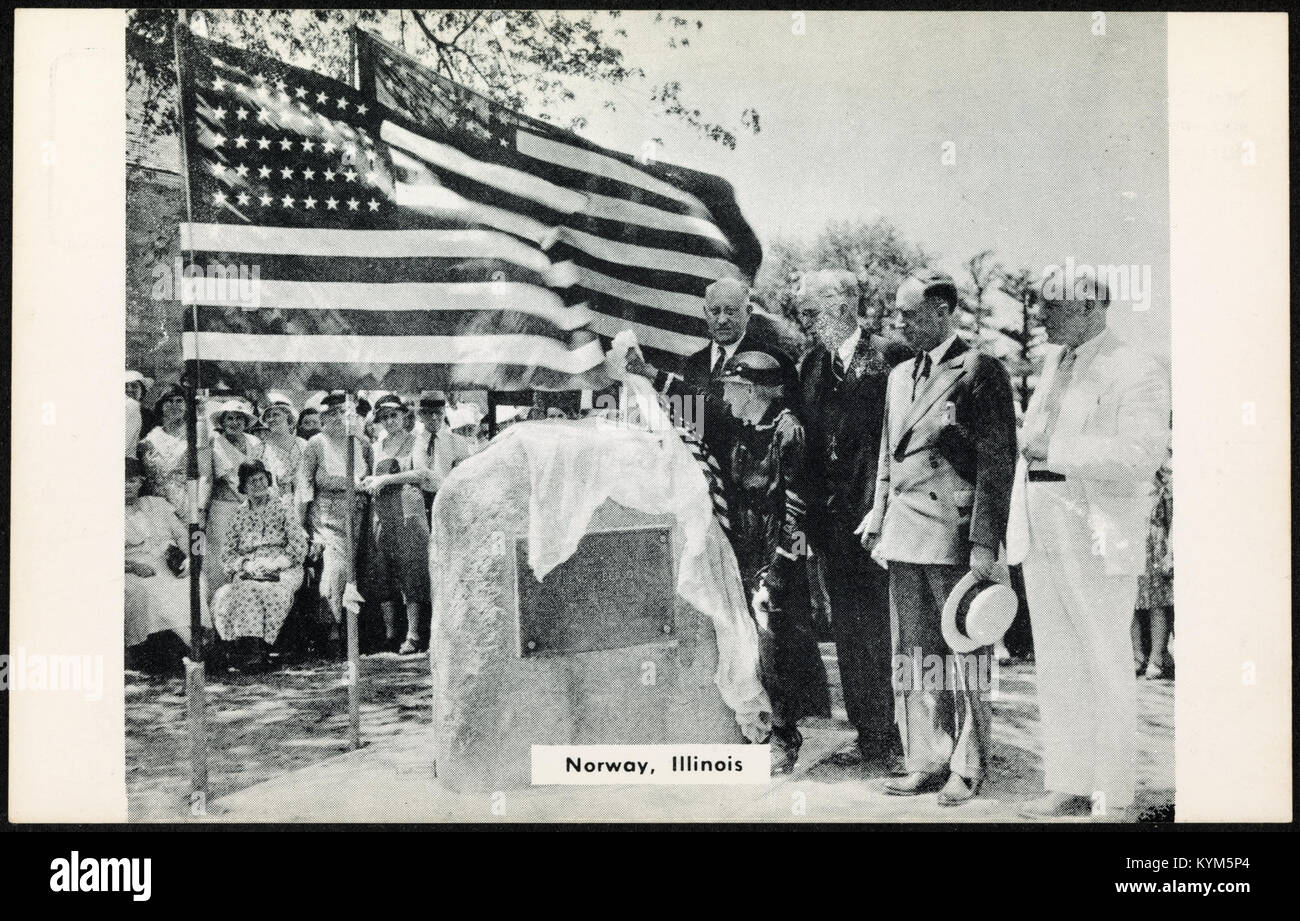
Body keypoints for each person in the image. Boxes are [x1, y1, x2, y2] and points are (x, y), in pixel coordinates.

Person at [1007, 265, 1170, 821]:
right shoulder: (1054, 362)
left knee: (1104, 657)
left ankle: (1113, 791)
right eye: (1042, 303)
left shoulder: (1137, 365)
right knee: (1055, 660)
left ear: (1094, 307)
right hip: (1044, 521)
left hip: (1097, 528)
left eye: (1054, 305)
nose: (1042, 315)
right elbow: (1031, 443)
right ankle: (1069, 780)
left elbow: (1141, 454)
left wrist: (1054, 454)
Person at [860, 270, 1017, 807]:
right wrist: (877, 514)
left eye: (911, 313)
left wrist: (985, 539)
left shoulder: (979, 368)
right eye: (899, 313)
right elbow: (889, 453)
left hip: (953, 532)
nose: (900, 322)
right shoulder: (900, 373)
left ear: (944, 310)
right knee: (913, 654)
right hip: (904, 533)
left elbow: (998, 459)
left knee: (965, 652)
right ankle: (926, 756)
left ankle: (969, 767)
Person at [797, 269, 914, 767]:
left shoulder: (892, 357)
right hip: (832, 524)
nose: (806, 320)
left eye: (812, 310)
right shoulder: (811, 365)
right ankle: (869, 734)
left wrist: (884, 505)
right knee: (848, 628)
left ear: (843, 305)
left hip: (882, 517)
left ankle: (904, 734)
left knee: (889, 627)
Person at [718, 350, 831, 773]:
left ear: (751, 390)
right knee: (754, 643)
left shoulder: (789, 433)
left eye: (732, 388)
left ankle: (786, 737)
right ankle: (764, 729)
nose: (726, 397)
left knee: (776, 645)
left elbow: (800, 511)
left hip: (778, 551)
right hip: (747, 545)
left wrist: (783, 568)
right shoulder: (746, 429)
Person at [625, 277, 788, 493]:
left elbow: (779, 436)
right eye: (715, 311)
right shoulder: (695, 363)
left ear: (748, 312)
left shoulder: (772, 361)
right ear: (705, 313)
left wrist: (656, 375)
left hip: (756, 493)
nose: (722, 320)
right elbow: (692, 423)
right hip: (706, 489)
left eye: (730, 311)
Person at [212, 459, 307, 671]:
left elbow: (298, 547)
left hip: (283, 567)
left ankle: (254, 651)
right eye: (252, 481)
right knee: (226, 593)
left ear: (268, 480)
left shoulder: (283, 508)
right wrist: (245, 566)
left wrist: (275, 565)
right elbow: (227, 554)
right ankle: (247, 650)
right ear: (244, 487)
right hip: (249, 569)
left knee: (258, 590)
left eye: (262, 479)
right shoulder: (238, 514)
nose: (258, 485)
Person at [298, 391, 372, 647]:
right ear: (322, 417)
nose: (337, 418)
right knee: (335, 567)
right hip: (327, 515)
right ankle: (332, 629)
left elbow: (369, 478)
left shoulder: (361, 443)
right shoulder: (316, 444)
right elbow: (305, 484)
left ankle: (359, 629)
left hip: (358, 512)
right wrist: (302, 524)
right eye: (330, 414)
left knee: (360, 567)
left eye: (342, 412)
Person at [360, 394, 433, 654]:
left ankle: (413, 635)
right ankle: (391, 633)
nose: (389, 421)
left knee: (411, 567)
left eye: (394, 415)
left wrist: (386, 480)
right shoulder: (377, 445)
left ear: (404, 416)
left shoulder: (416, 441)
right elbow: (371, 475)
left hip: (407, 508)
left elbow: (421, 474)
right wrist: (368, 481)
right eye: (384, 417)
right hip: (382, 510)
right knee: (382, 568)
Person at [126, 455, 208, 671]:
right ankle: (195, 645)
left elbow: (184, 535)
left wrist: (191, 557)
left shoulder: (157, 503)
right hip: (136, 566)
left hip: (169, 561)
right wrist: (132, 567)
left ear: (141, 481)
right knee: (153, 590)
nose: (126, 486)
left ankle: (197, 642)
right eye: (121, 480)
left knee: (194, 581)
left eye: (132, 480)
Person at [203, 398, 264, 603]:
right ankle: (217, 610)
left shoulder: (254, 443)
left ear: (246, 422)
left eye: (239, 418)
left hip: (250, 508)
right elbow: (216, 478)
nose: (234, 422)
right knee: (221, 558)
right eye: (230, 418)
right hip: (223, 508)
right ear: (222, 421)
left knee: (248, 557)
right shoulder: (214, 442)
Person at [1133, 450, 1174, 680]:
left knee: (1156, 604)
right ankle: (1137, 654)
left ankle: (1157, 656)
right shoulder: (1128, 480)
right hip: (1130, 541)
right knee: (1132, 603)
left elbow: (1170, 519)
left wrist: (1170, 552)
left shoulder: (1163, 482)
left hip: (1155, 545)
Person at [141, 385, 191, 520]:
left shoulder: (193, 435)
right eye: (169, 401)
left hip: (186, 505)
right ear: (161, 406)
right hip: (157, 506)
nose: (174, 405)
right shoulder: (150, 439)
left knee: (190, 540)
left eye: (179, 400)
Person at [260, 393, 308, 507]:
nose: (271, 419)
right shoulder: (261, 449)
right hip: (274, 507)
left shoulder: (303, 445)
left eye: (276, 414)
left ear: (288, 416)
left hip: (304, 505)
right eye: (268, 416)